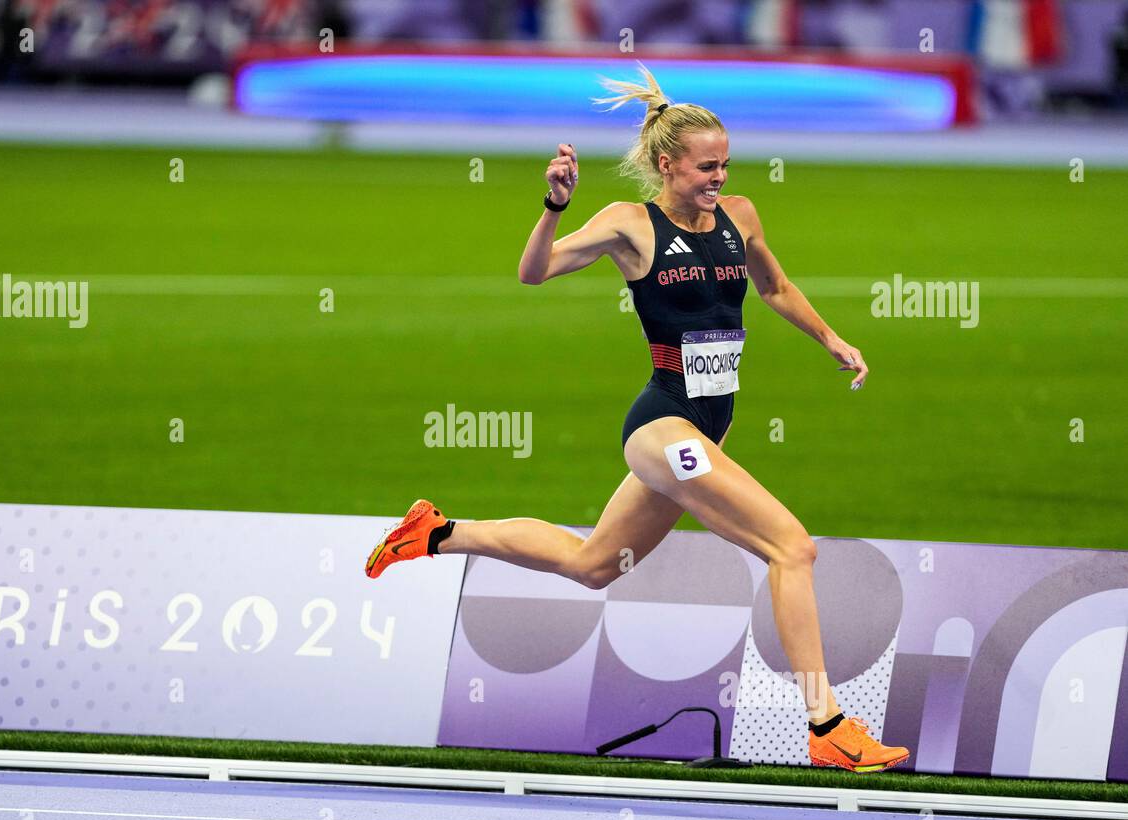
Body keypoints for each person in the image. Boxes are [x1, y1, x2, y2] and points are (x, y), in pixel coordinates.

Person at [365, 65, 909, 773]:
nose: (719, 177)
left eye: (725, 165)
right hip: (662, 428)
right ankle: (826, 724)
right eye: (706, 166)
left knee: (594, 565)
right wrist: (553, 206)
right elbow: (536, 272)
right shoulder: (630, 225)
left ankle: (436, 532)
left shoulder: (739, 216)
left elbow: (773, 285)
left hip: (709, 428)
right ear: (666, 163)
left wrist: (831, 337)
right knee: (792, 548)